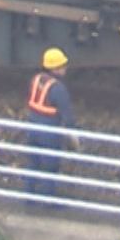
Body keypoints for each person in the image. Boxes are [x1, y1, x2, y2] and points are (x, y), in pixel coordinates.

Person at [23, 47, 74, 204]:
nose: (65, 68)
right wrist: (73, 133)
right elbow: (67, 114)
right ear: (56, 68)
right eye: (63, 65)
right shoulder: (58, 88)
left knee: (33, 162)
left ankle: (29, 196)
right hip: (49, 131)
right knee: (50, 165)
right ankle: (47, 199)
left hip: (32, 126)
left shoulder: (35, 80)